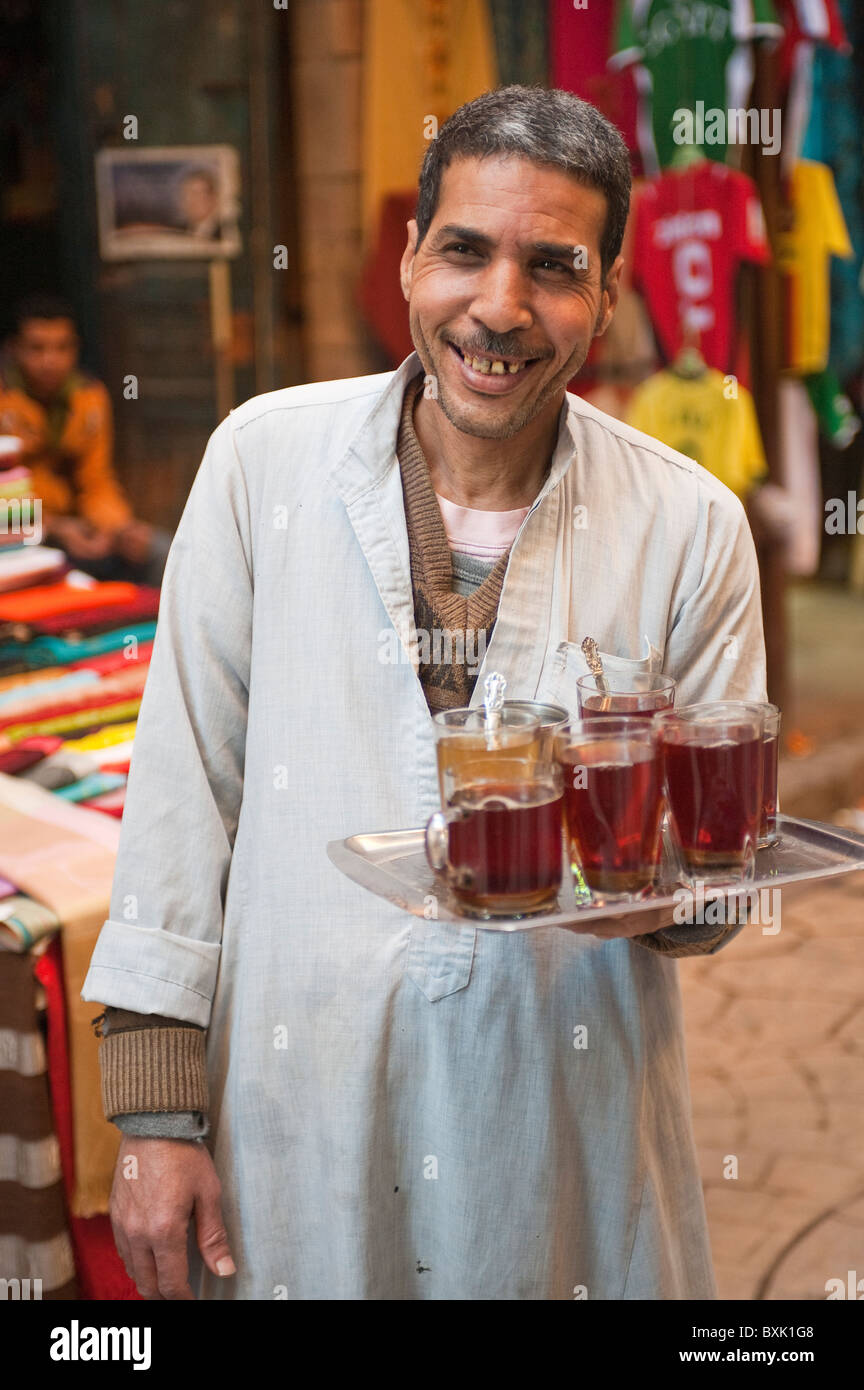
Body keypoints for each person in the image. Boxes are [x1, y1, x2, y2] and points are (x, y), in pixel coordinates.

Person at [82, 87, 766, 1301]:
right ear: (407, 261)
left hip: (558, 1118)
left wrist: (667, 880)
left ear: (607, 299)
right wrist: (154, 1116)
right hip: (300, 1107)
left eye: (555, 267)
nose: (499, 308)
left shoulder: (690, 524)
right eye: (465, 249)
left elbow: (714, 879)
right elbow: (186, 787)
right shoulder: (262, 461)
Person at [0, 293, 171, 587]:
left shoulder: (89, 396)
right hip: (18, 536)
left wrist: (118, 527)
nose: (50, 360)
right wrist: (55, 527)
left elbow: (96, 479)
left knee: (159, 551)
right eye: (37, 348)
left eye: (62, 347)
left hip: (80, 528)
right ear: (13, 350)